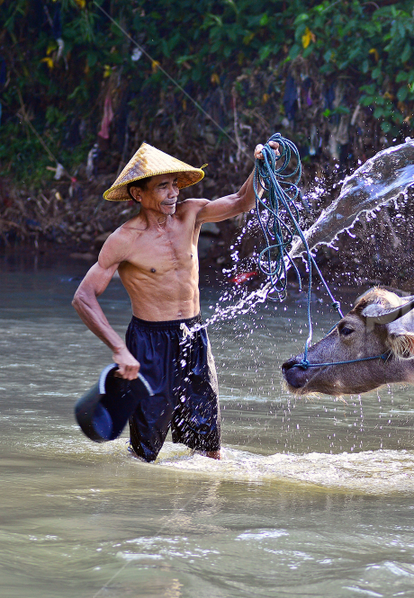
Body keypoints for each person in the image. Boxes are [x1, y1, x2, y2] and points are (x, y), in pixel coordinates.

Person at [73, 141, 276, 462]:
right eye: (162, 187)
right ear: (138, 194)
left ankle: (200, 505)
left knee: (209, 445)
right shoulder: (124, 239)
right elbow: (83, 297)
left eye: (174, 185)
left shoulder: (191, 214)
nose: (173, 193)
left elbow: (241, 201)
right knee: (145, 453)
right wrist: (118, 349)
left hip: (193, 336)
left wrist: (261, 166)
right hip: (149, 345)